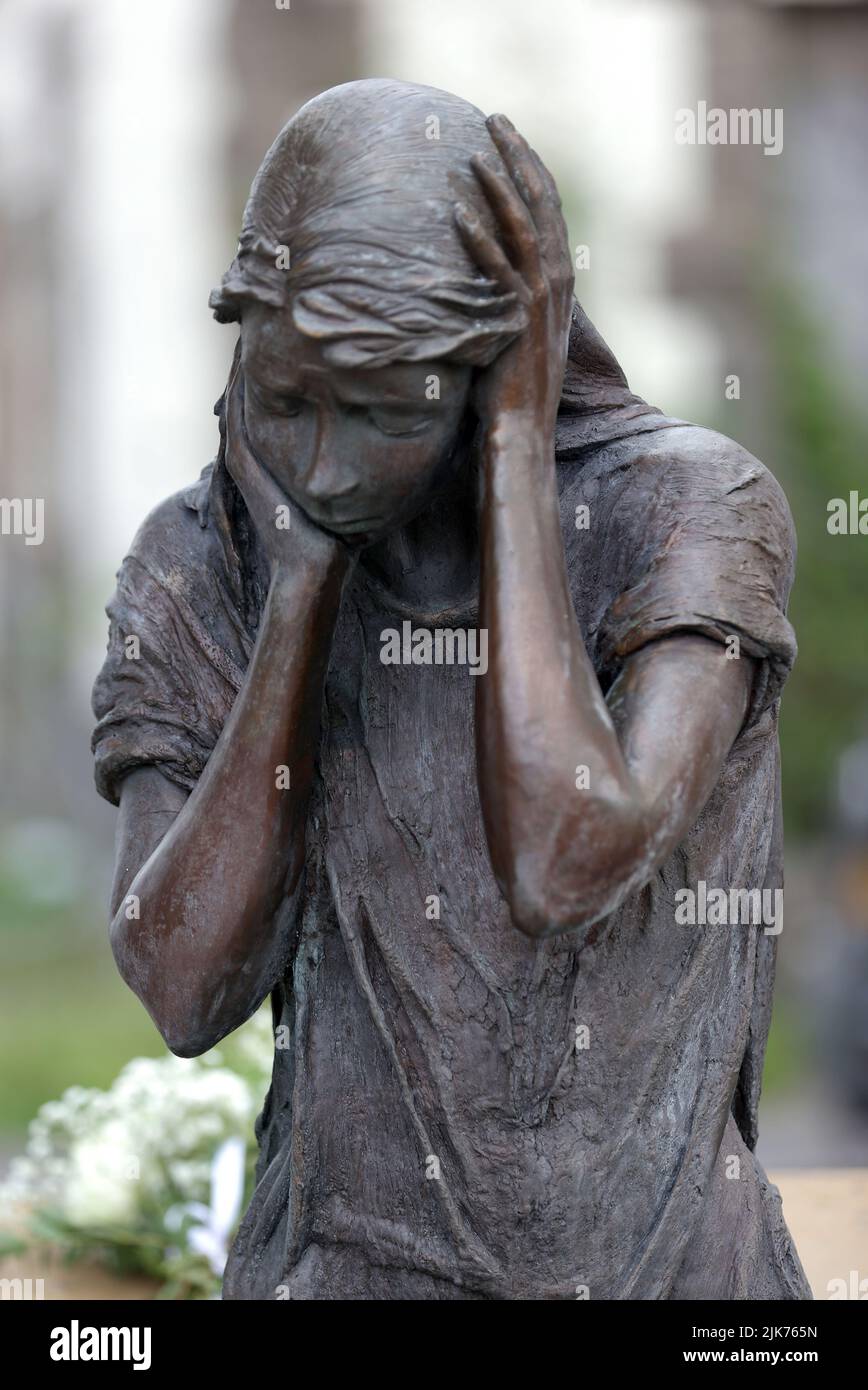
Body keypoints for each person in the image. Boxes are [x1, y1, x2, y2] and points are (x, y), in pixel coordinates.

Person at [92, 79, 810, 1300]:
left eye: (379, 412)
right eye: (282, 398)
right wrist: (298, 588)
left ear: (494, 366)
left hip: (676, 1282)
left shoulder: (686, 510)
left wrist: (518, 459)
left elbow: (563, 861)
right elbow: (182, 985)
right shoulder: (198, 561)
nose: (319, 463)